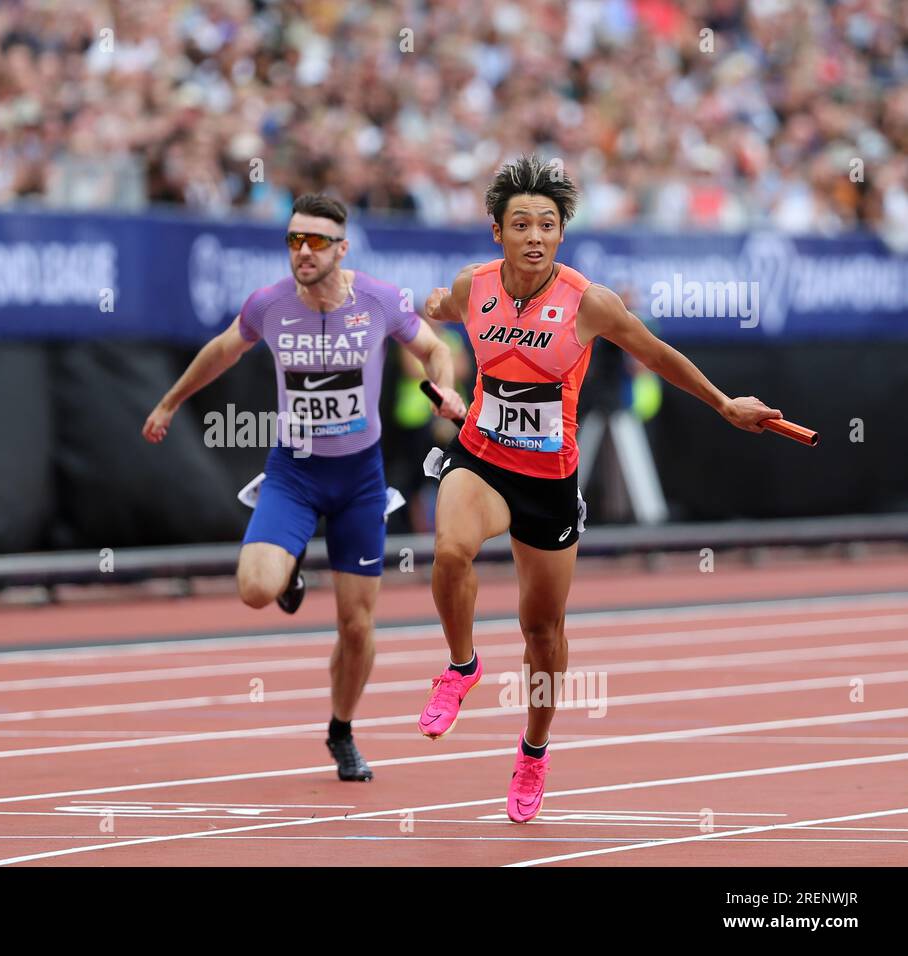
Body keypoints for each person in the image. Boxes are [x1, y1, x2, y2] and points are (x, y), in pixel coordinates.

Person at [418, 156, 782, 821]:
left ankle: (533, 749)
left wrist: (725, 402)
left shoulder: (589, 302)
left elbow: (658, 354)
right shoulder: (472, 286)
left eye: (547, 225)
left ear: (561, 234)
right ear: (497, 230)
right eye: (520, 223)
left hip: (549, 480)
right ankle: (462, 664)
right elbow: (434, 310)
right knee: (449, 550)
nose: (534, 236)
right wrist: (435, 359)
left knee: (543, 631)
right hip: (481, 456)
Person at [143, 193, 466, 782]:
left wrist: (445, 389)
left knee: (356, 626)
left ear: (342, 249)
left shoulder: (379, 300)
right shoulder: (268, 306)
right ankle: (289, 566)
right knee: (254, 590)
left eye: (316, 241)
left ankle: (341, 730)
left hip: (360, 481)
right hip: (294, 472)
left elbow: (434, 348)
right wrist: (170, 401)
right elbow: (220, 351)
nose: (303, 251)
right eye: (294, 240)